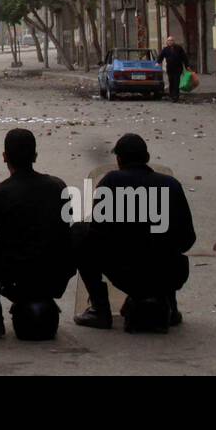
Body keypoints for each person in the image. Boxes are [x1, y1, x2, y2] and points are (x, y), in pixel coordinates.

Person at [72, 133, 196, 331]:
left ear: (119, 159)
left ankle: (100, 309)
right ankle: (169, 304)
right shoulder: (170, 184)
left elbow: (96, 233)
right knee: (167, 247)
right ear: (147, 158)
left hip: (124, 272)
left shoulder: (111, 181)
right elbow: (188, 239)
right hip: (167, 272)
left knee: (79, 231)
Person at [0, 128, 74, 339]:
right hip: (54, 275)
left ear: (5, 157)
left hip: (15, 276)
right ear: (35, 156)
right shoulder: (58, 187)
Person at [158, 36, 190, 103]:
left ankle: (176, 96)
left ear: (174, 41)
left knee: (176, 82)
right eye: (169, 40)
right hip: (170, 69)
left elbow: (184, 57)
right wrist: (158, 62)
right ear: (167, 42)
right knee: (171, 82)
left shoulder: (178, 48)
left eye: (171, 40)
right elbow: (161, 56)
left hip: (178, 68)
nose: (170, 42)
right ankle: (172, 95)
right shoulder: (165, 49)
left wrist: (187, 66)